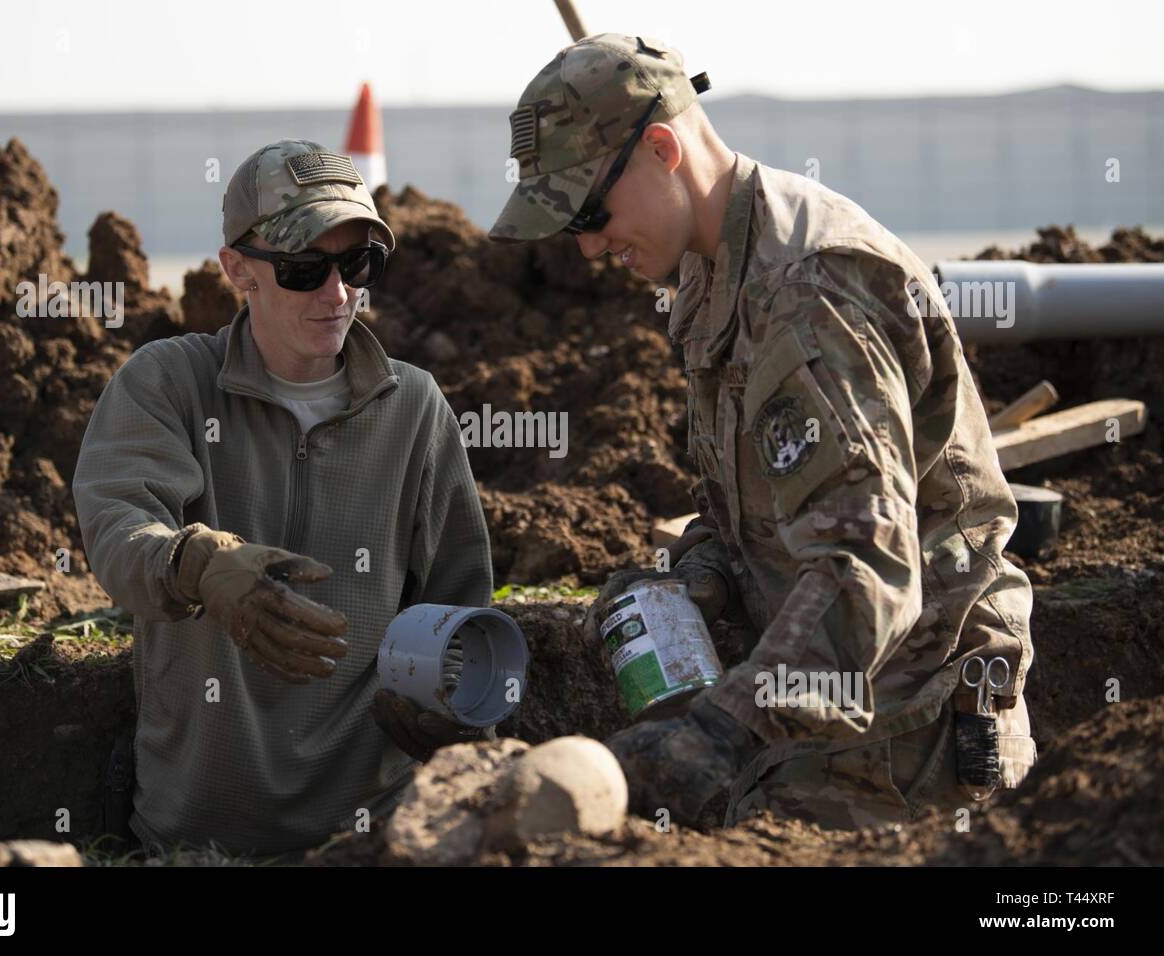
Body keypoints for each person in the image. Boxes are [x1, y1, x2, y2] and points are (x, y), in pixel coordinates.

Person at [490, 34, 1037, 830]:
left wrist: (723, 728)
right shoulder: (717, 274)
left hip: (903, 745)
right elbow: (771, 507)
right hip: (828, 719)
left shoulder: (806, 293)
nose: (587, 244)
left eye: (588, 210)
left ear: (662, 147)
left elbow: (867, 566)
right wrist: (691, 581)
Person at [73, 139, 492, 856]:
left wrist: (460, 695)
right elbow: (118, 528)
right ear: (237, 269)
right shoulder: (170, 385)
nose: (337, 295)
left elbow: (458, 600)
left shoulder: (414, 407)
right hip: (194, 838)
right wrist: (197, 563)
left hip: (365, 840)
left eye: (357, 265)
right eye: (303, 270)